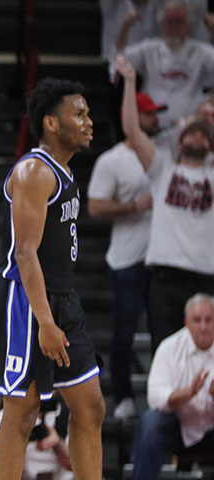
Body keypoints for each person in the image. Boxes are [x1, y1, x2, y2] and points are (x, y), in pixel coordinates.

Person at [0, 77, 151, 480]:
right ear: (51, 123)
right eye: (79, 114)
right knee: (22, 413)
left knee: (91, 406)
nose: (89, 122)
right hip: (29, 298)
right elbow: (27, 255)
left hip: (60, 298)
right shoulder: (35, 171)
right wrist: (39, 323)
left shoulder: (63, 171)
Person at [115, 56, 214, 352]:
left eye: (204, 135)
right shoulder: (162, 170)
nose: (198, 137)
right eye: (191, 134)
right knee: (165, 352)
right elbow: (132, 131)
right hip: (165, 278)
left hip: (206, 277)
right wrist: (131, 82)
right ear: (179, 144)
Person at [87, 91, 162, 421]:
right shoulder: (112, 160)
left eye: (155, 114)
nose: (155, 120)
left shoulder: (164, 152)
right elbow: (94, 206)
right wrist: (133, 205)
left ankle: (163, 396)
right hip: (127, 259)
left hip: (162, 258)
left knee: (165, 333)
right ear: (130, 118)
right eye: (148, 115)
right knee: (124, 331)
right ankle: (124, 397)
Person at [129, 293, 214, 480]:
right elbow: (155, 397)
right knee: (150, 422)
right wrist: (187, 393)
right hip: (179, 424)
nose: (204, 326)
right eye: (197, 320)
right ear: (187, 323)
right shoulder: (169, 348)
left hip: (211, 426)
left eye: (209, 320)